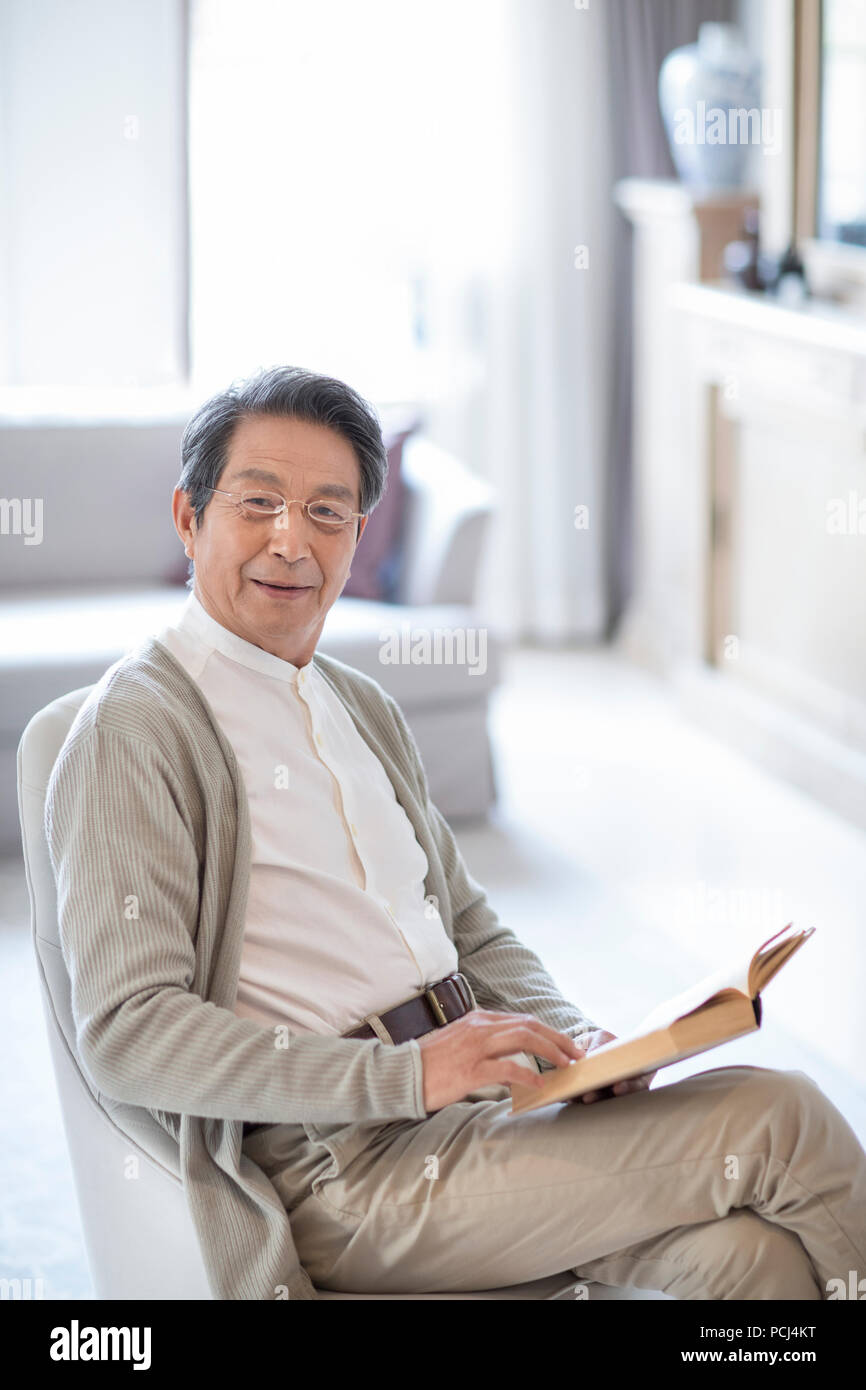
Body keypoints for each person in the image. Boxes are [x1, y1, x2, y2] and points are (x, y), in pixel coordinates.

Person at [45, 366, 866, 1301]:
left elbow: (469, 928)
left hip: (485, 1106)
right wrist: (401, 1077)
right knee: (777, 1118)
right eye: (259, 503)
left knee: (749, 1263)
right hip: (344, 1168)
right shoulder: (135, 731)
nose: (291, 539)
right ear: (190, 519)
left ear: (359, 537)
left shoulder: (359, 707)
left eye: (326, 511)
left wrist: (579, 1043)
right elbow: (126, 1031)